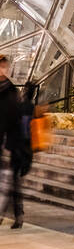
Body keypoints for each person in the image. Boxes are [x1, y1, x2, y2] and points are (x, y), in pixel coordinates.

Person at [0, 59, 25, 229]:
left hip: (9, 142)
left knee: (11, 181)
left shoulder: (11, 91)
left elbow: (15, 118)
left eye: (3, 66)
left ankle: (17, 213)